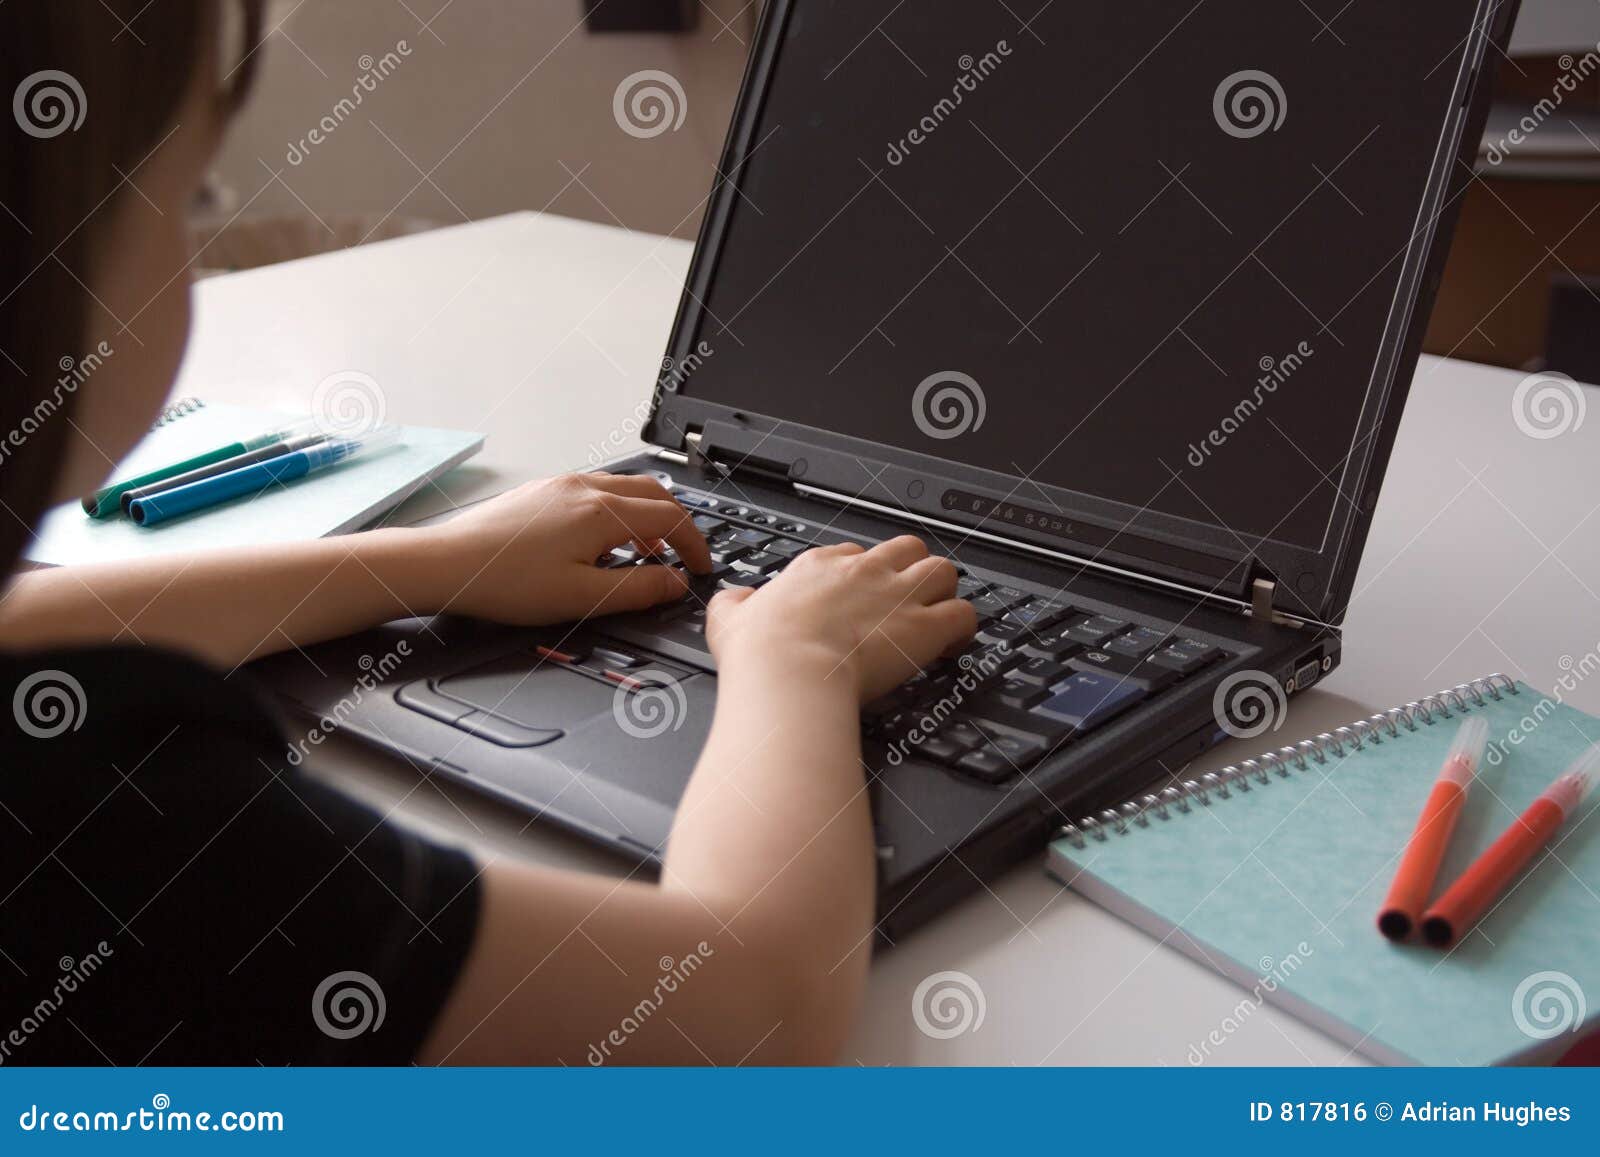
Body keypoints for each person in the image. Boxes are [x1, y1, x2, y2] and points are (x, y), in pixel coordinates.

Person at [0, 2, 977, 1064]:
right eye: (186, 200)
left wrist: (429, 560)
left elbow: (26, 621)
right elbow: (753, 1015)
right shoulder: (113, 818)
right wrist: (801, 665)